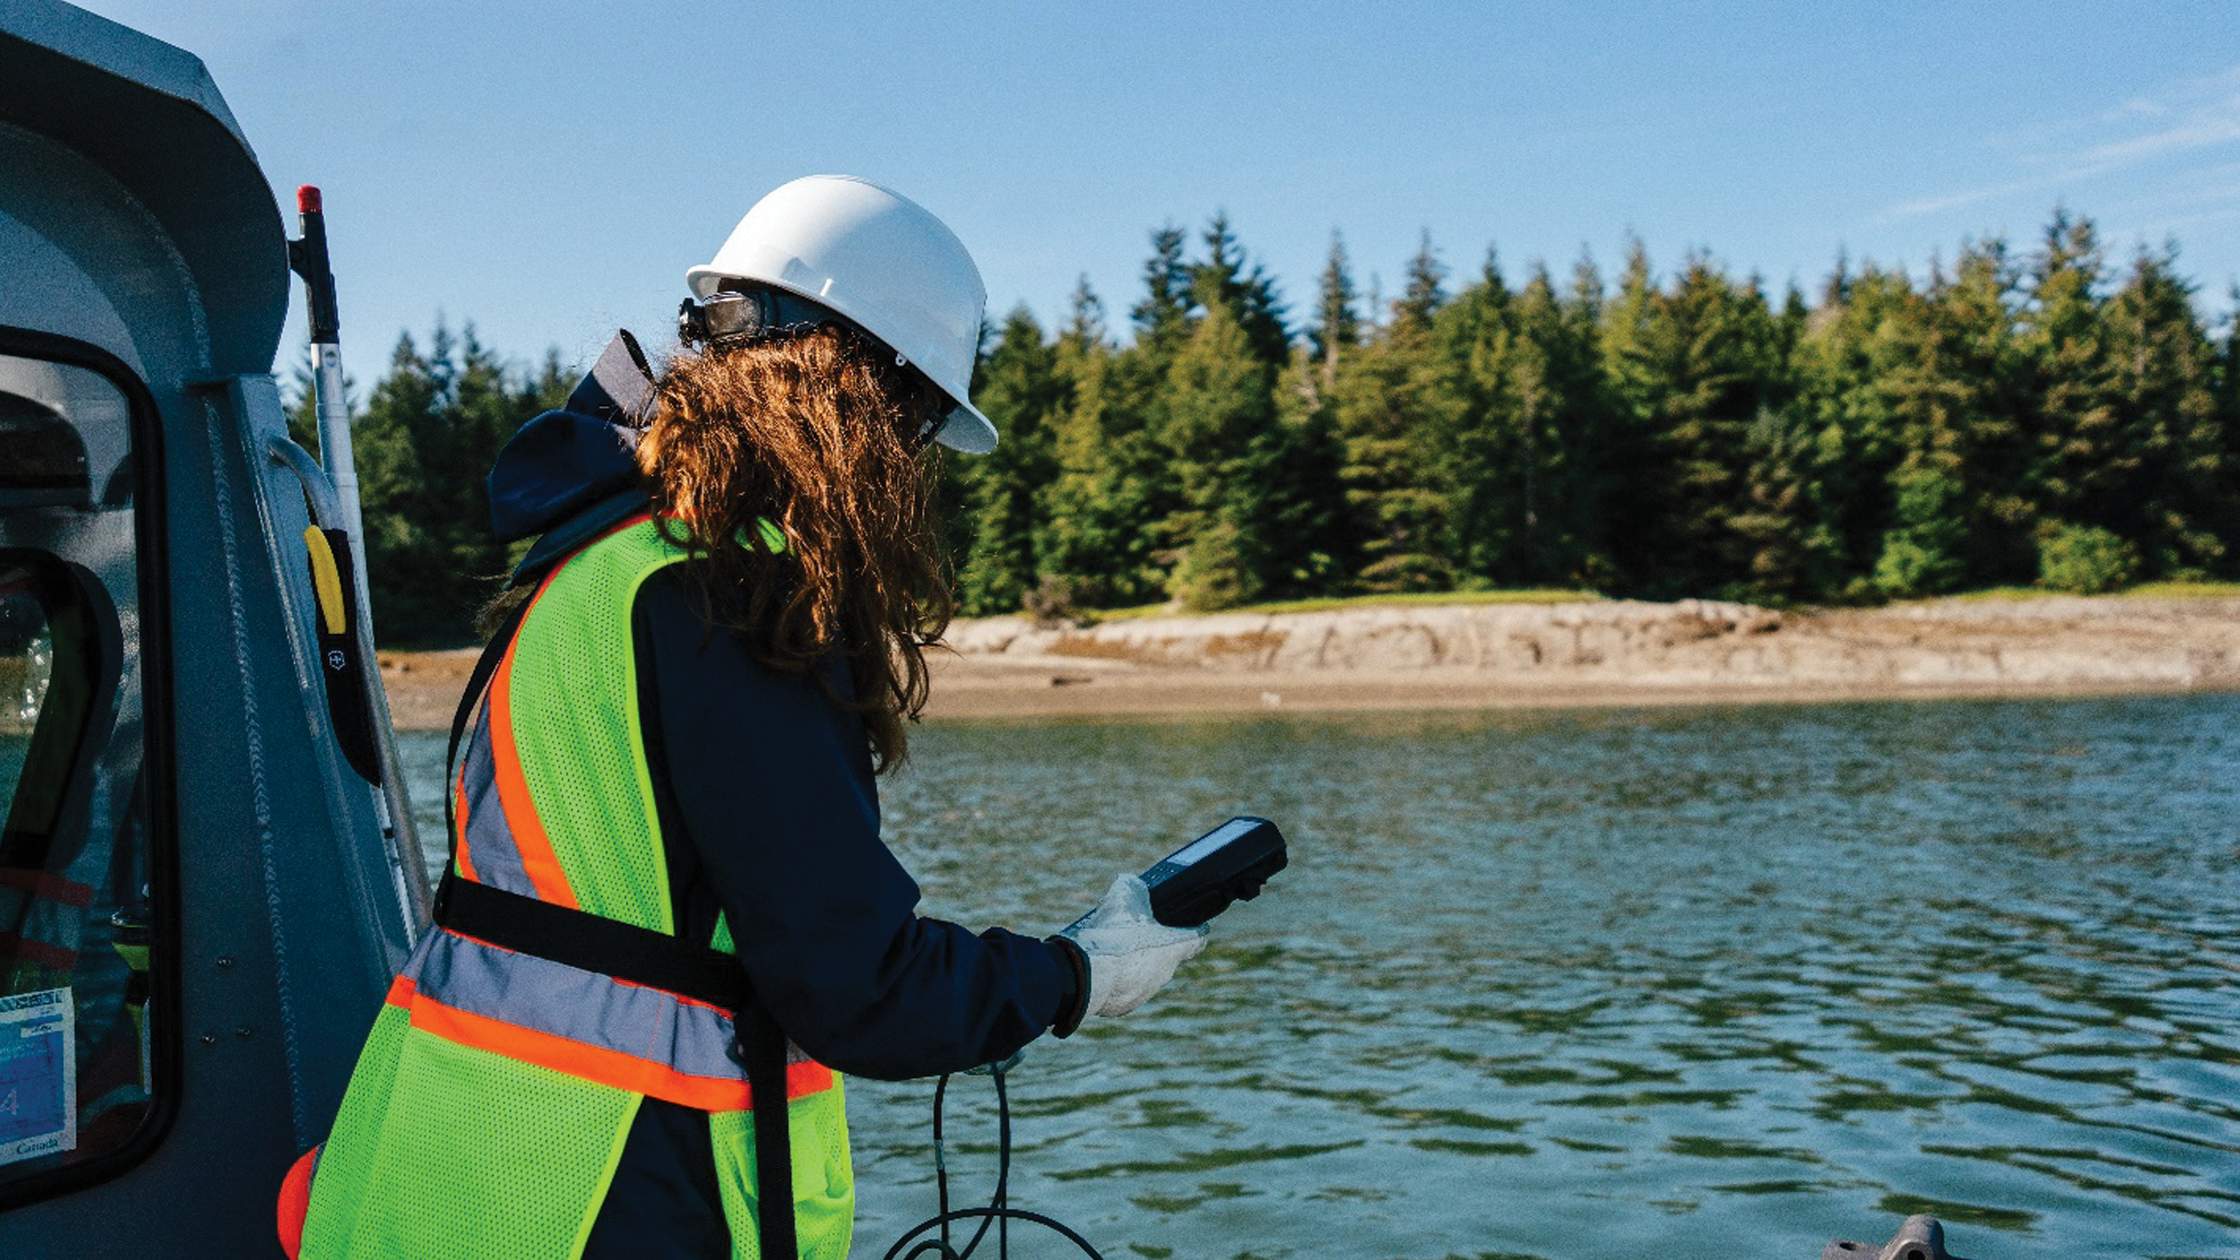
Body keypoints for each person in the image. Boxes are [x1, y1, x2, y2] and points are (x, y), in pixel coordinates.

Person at [286, 175, 1208, 1260]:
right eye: (910, 431)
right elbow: (858, 986)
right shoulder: (734, 599)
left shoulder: (596, 568)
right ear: (859, 393)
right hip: (598, 1200)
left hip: (431, 1170)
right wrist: (1076, 975)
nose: (907, 474)